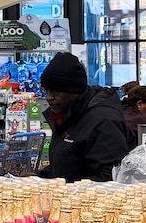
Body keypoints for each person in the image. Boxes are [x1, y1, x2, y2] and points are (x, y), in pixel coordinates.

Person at [38, 52, 135, 181]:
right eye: (46, 90)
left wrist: (68, 190)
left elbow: (111, 177)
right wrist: (40, 178)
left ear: (75, 91)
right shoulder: (67, 116)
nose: (49, 97)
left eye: (56, 91)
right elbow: (69, 164)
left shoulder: (103, 121)